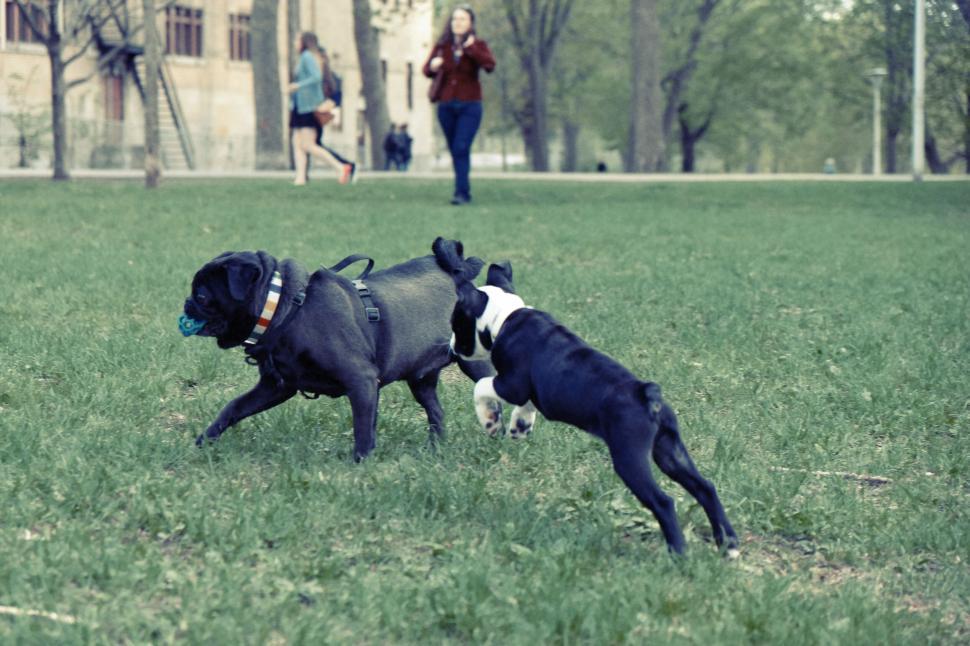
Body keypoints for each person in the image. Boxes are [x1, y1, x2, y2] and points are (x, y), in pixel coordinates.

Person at [422, 5, 495, 204]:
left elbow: (489, 65)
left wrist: (471, 49)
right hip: (446, 104)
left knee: (461, 146)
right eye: (455, 19)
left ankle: (462, 192)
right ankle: (461, 189)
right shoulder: (442, 46)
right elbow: (426, 70)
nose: (458, 23)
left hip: (470, 105)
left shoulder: (478, 44)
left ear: (470, 23)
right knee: (455, 149)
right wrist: (433, 66)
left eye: (462, 19)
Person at [288, 32, 355, 186]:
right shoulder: (303, 58)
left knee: (308, 145)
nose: (294, 42)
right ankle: (300, 178)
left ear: (304, 42)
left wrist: (298, 85)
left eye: (297, 39)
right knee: (297, 143)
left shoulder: (307, 56)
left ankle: (341, 167)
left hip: (307, 107)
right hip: (299, 106)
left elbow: (316, 77)